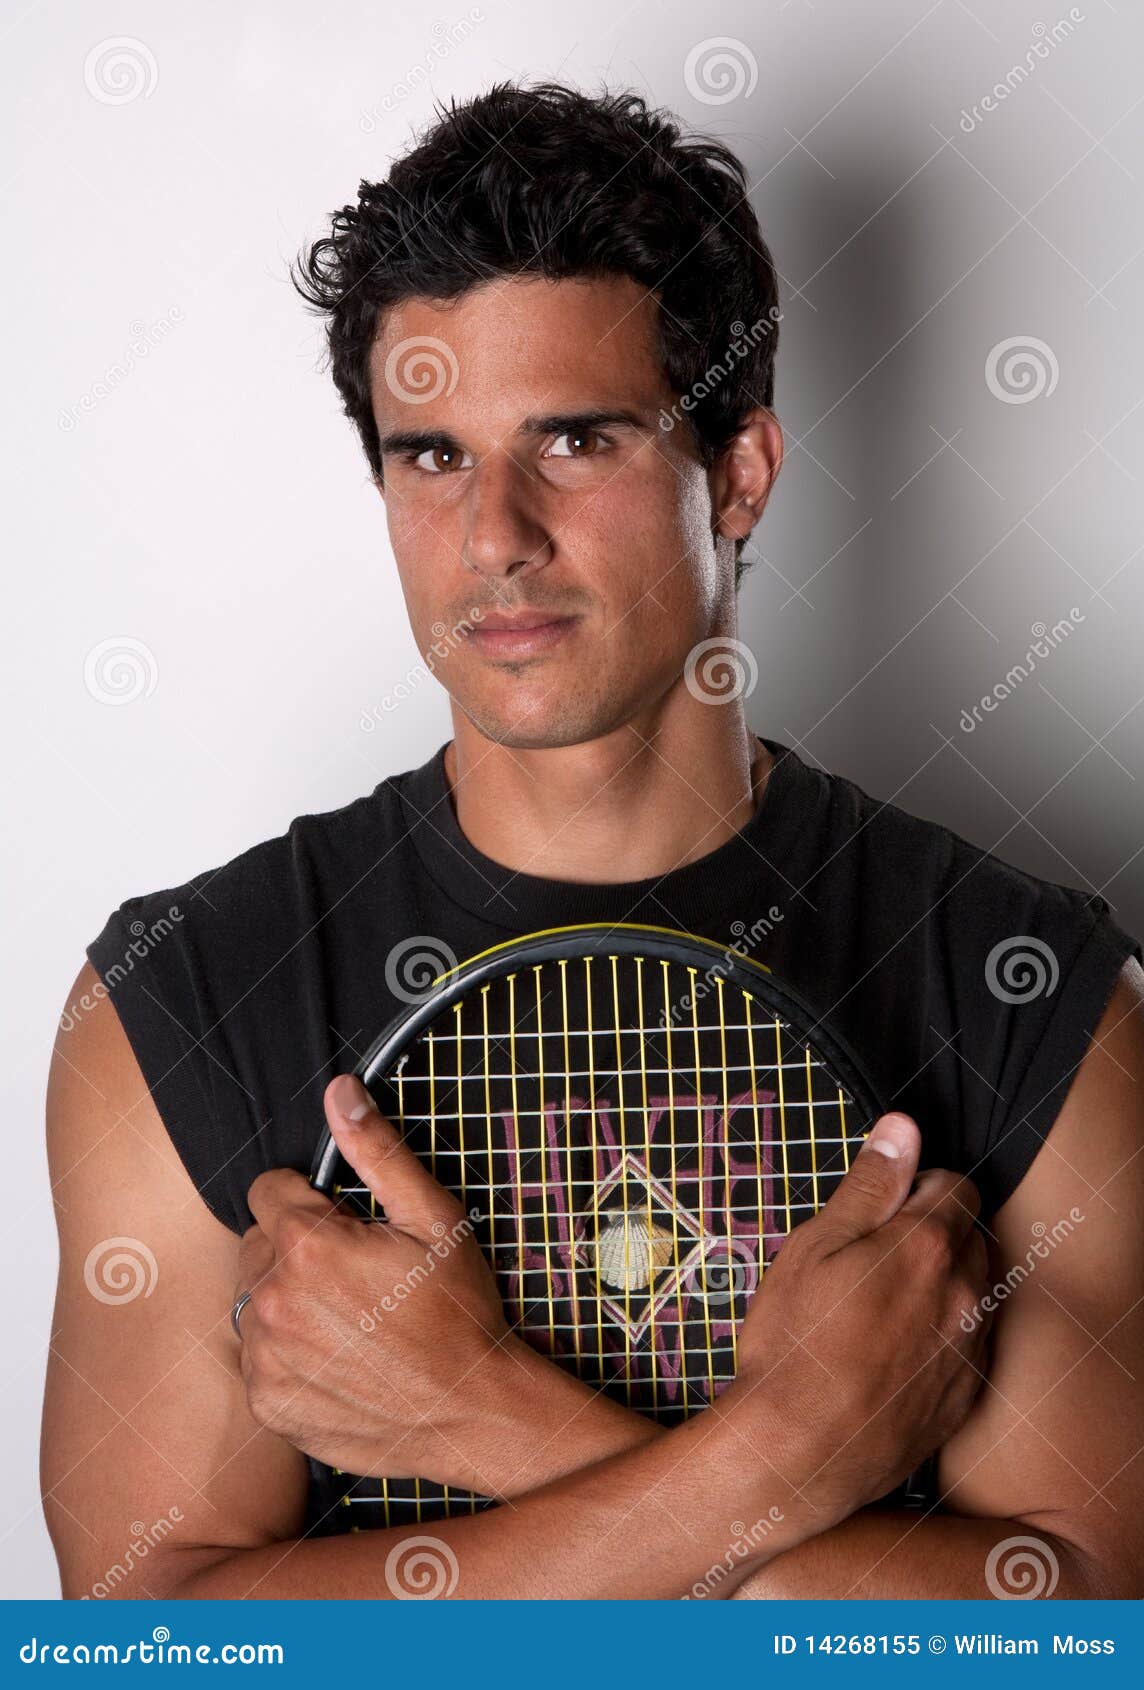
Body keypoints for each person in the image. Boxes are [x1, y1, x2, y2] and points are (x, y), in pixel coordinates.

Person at [43, 81, 1144, 1601]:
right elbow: (157, 1643)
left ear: (739, 472)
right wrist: (798, 1449)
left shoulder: (1036, 992)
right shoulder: (185, 996)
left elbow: (1073, 1624)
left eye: (575, 437)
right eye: (431, 455)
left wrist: (473, 1409)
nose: (495, 531)